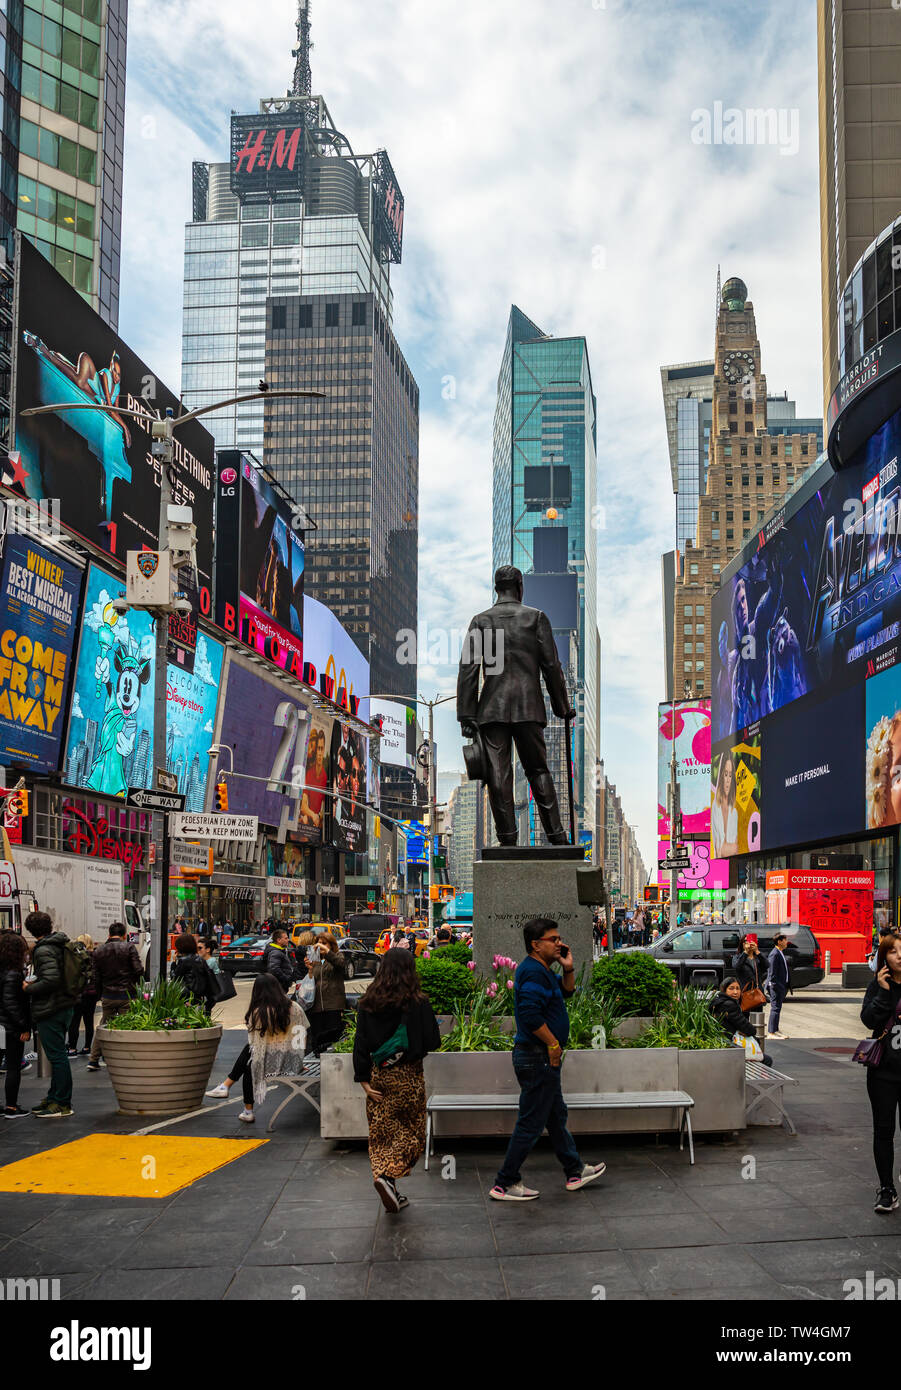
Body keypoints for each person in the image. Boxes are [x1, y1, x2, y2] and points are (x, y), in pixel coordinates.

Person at [456, 565, 577, 845]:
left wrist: (467, 714)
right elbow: (551, 666)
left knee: (498, 775)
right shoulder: (536, 618)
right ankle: (557, 836)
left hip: (492, 710)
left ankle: (507, 839)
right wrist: (563, 707)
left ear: (496, 588)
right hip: (528, 708)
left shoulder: (481, 621)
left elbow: (469, 670)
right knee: (538, 771)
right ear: (520, 587)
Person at [489, 917, 606, 1200]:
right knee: (530, 1123)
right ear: (535, 944)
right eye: (553, 939)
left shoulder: (541, 971)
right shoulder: (531, 972)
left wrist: (568, 968)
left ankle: (574, 1171)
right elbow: (530, 1016)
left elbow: (566, 992)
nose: (559, 943)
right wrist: (553, 1044)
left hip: (541, 1056)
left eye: (558, 938)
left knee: (555, 1116)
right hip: (537, 1056)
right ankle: (504, 1183)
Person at [353, 948, 441, 1213]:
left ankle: (386, 1179)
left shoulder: (368, 1001)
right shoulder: (418, 1002)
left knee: (382, 1132)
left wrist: (363, 1079)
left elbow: (360, 1042)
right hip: (409, 1076)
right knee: (411, 1131)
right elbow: (433, 1041)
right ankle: (388, 1178)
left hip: (379, 1077)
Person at [206, 973, 309, 1123]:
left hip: (272, 1062)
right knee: (249, 1055)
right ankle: (225, 1086)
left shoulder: (259, 1012)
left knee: (249, 1064)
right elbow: (301, 1036)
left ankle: (244, 1106)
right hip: (291, 1060)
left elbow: (255, 1045)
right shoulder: (295, 1007)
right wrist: (298, 1060)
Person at [23, 910, 79, 1117]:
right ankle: (54, 1097)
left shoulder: (44, 950)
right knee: (58, 1055)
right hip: (64, 1005)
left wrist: (28, 988)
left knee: (57, 1057)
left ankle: (62, 1103)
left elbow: (51, 979)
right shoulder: (59, 943)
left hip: (51, 1007)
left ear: (30, 930)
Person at [861, 931, 901, 1212]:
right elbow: (868, 1020)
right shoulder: (878, 986)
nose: (899, 956)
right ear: (883, 957)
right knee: (884, 1131)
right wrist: (884, 994)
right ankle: (887, 1187)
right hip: (884, 1072)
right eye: (893, 951)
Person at [87, 922, 144, 1071]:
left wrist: (101, 994)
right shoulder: (129, 948)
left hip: (108, 995)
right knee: (128, 1027)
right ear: (125, 935)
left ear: (109, 934)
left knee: (104, 1026)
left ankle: (93, 1059)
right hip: (127, 994)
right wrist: (133, 983)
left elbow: (96, 976)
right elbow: (138, 970)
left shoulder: (99, 950)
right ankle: (126, 1058)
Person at [0, 930, 32, 1117]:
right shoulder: (13, 974)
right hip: (10, 1028)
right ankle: (11, 1106)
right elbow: (12, 1004)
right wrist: (23, 1027)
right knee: (13, 1067)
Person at [710, 976, 772, 1066]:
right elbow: (750, 1030)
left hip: (721, 1043)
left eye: (738, 988)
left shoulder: (718, 1001)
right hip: (731, 1046)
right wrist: (744, 1030)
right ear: (724, 990)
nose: (735, 992)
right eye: (731, 988)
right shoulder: (729, 1005)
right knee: (767, 1060)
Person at [306, 932, 348, 1056]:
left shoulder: (338, 956)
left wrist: (327, 952)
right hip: (317, 1007)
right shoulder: (316, 960)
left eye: (324, 943)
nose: (321, 946)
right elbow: (311, 981)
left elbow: (341, 964)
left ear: (331, 944)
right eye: (319, 943)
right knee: (318, 1040)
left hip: (334, 1006)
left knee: (333, 1039)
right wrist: (309, 970)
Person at [66, 934, 98, 1056]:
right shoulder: (95, 956)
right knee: (89, 1020)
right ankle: (86, 1047)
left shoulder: (74, 956)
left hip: (78, 993)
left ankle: (72, 1047)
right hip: (92, 993)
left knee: (74, 1021)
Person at [171, 934, 218, 1013]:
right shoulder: (200, 959)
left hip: (189, 998)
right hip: (202, 997)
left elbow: (175, 978)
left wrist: (173, 963)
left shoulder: (184, 960)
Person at [712, 753, 739, 857]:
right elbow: (721, 851)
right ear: (721, 776)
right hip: (720, 865)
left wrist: (730, 847)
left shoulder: (734, 812)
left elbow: (736, 849)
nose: (728, 780)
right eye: (726, 774)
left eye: (730, 775)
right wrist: (732, 847)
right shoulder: (715, 807)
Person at [766, 931, 790, 1040]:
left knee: (778, 1008)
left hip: (781, 985)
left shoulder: (780, 952)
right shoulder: (774, 954)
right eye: (785, 940)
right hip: (776, 986)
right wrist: (774, 985)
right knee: (775, 1008)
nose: (786, 942)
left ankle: (775, 1029)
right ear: (779, 941)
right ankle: (771, 1032)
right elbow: (772, 973)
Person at [262, 927, 295, 992]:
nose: (288, 940)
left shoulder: (279, 950)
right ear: (278, 940)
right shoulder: (276, 952)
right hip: (279, 986)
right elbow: (274, 969)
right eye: (286, 938)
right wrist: (286, 979)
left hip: (280, 985)